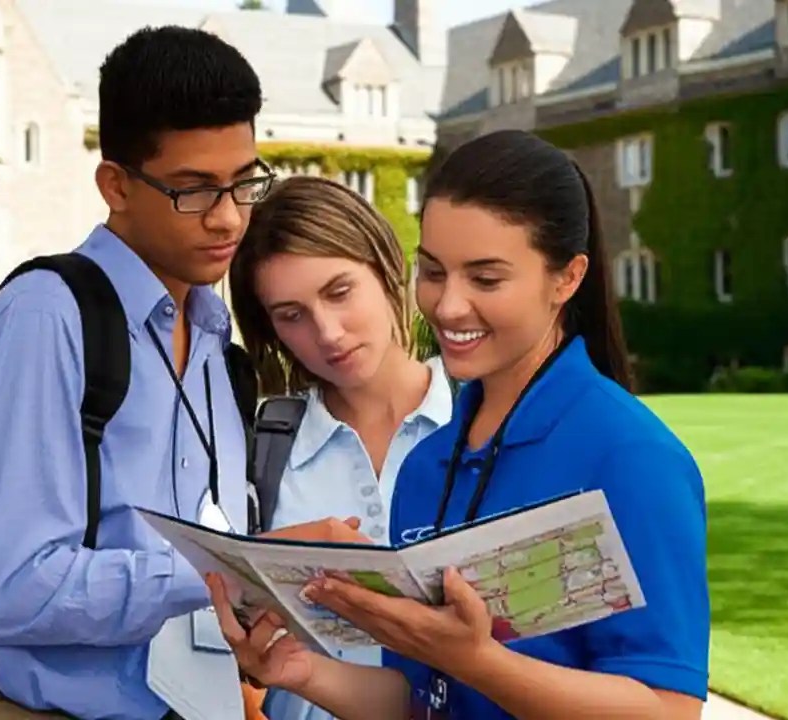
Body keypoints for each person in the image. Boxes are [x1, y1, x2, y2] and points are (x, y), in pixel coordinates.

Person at [208, 129, 711, 719]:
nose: (447, 306)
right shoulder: (429, 466)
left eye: (486, 278)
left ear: (567, 278)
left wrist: (479, 661)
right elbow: (422, 702)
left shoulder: (629, 454)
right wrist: (302, 672)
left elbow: (668, 709)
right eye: (435, 272)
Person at [0, 26, 275, 719]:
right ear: (116, 185)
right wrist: (236, 569)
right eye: (193, 191)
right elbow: (9, 591)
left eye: (244, 183)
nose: (228, 219)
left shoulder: (217, 338)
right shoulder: (44, 318)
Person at [226, 175, 455, 720]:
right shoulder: (259, 451)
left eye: (339, 291)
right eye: (291, 315)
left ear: (387, 269)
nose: (326, 332)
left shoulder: (487, 428)